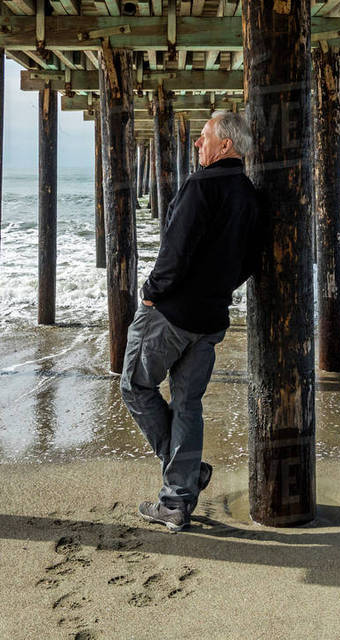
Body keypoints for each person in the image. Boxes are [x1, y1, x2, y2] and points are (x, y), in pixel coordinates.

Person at [120, 109, 261, 532]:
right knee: (186, 403)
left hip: (171, 314)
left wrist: (150, 293)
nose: (197, 144)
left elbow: (175, 252)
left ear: (226, 145)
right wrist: (214, 291)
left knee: (135, 385)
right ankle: (178, 497)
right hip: (212, 318)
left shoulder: (202, 186)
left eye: (204, 137)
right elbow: (249, 262)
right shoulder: (250, 196)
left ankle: (184, 476)